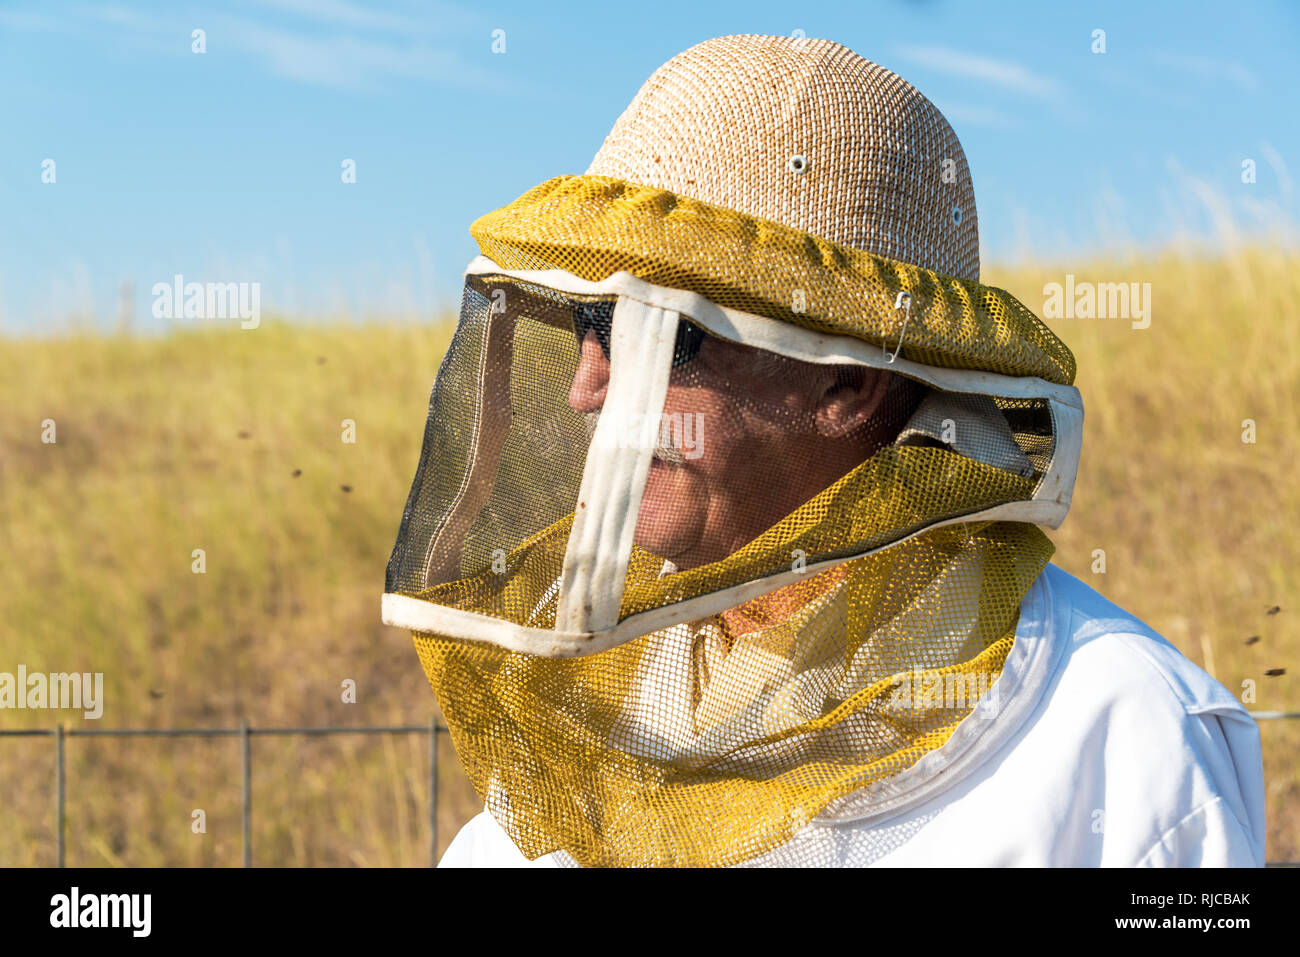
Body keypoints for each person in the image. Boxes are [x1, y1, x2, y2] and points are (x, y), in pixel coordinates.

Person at [384, 35, 1265, 867]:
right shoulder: (595, 698)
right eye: (586, 320)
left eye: (654, 335)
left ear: (846, 383)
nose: (587, 390)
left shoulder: (1126, 733)